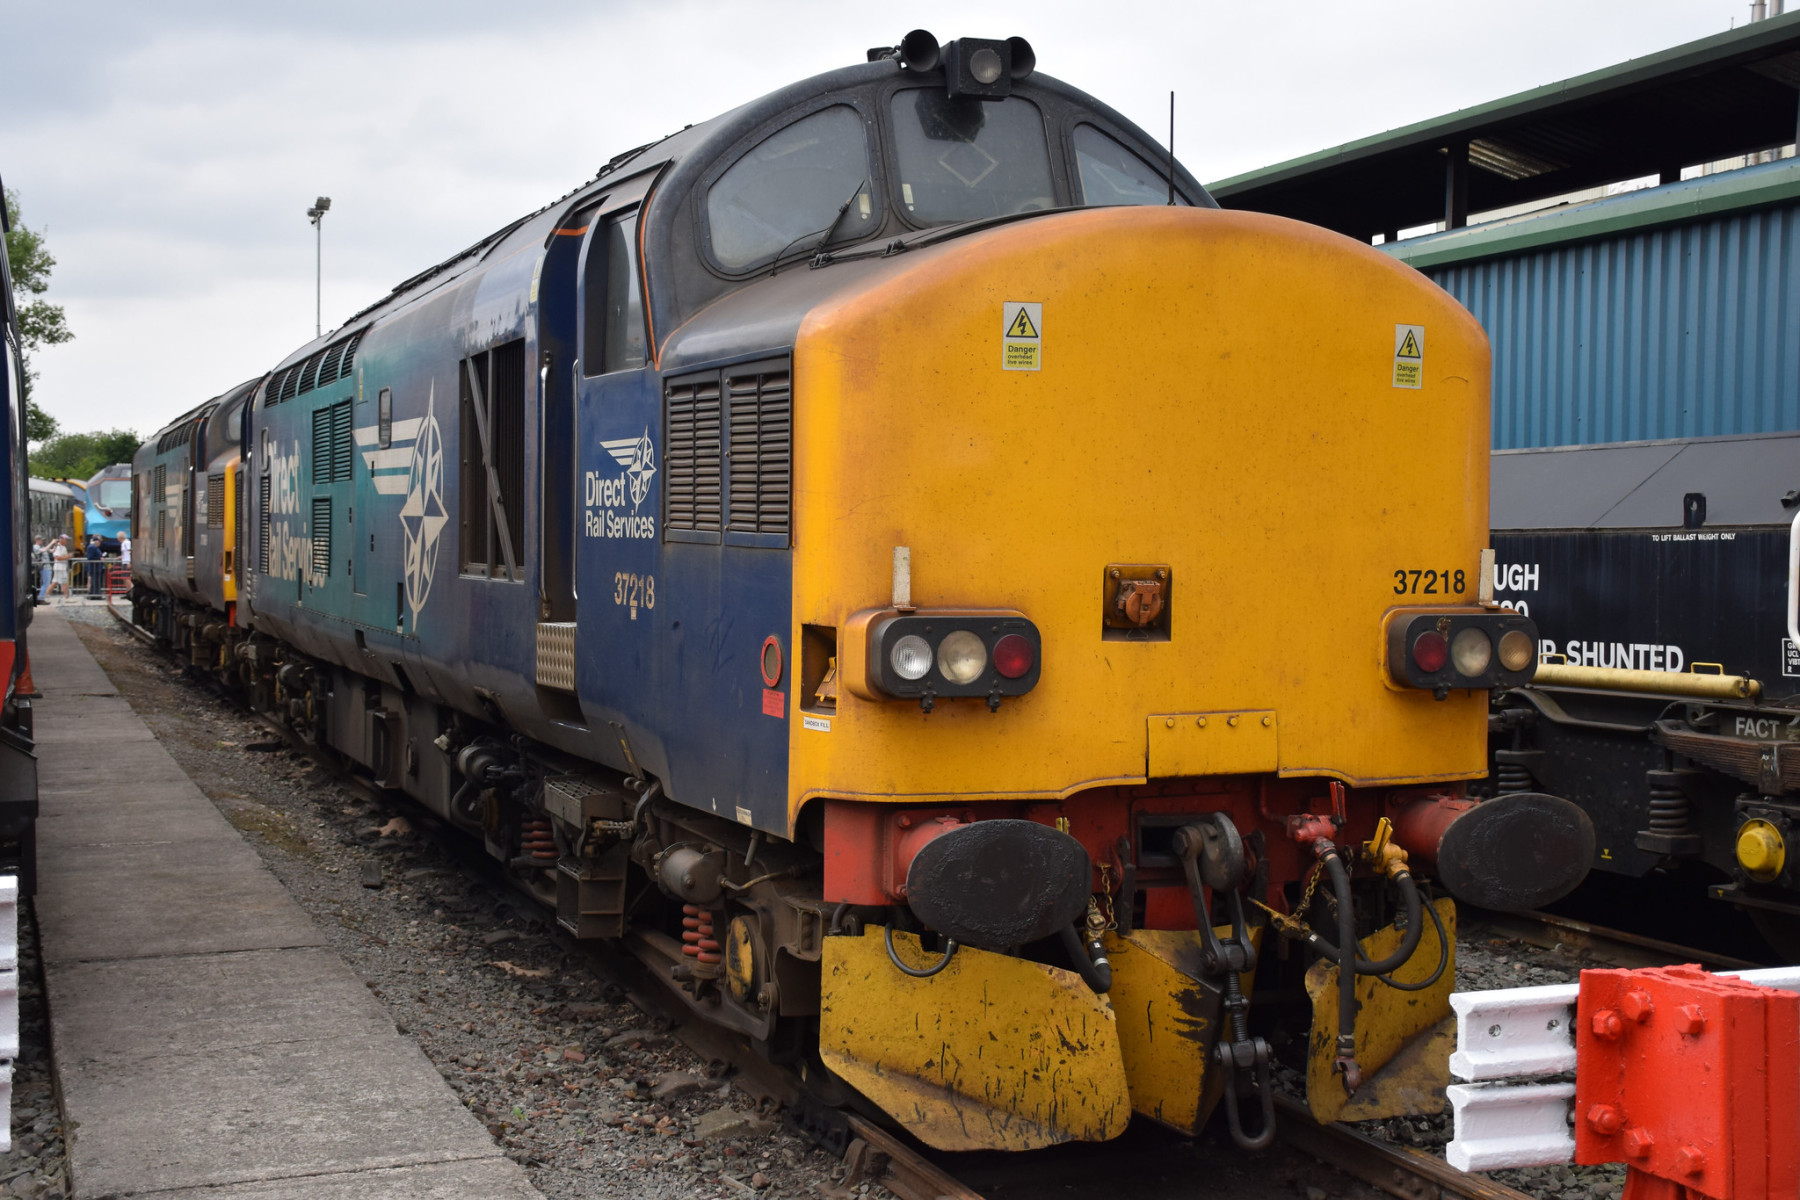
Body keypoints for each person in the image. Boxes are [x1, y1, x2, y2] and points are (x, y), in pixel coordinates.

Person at [31, 538, 49, 603]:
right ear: (37, 540)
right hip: (41, 567)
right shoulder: (35, 547)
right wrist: (52, 542)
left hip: (40, 567)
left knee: (44, 583)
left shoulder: (41, 547)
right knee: (44, 583)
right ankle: (40, 599)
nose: (42, 541)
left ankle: (40, 598)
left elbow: (49, 550)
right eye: (41, 540)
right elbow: (44, 550)